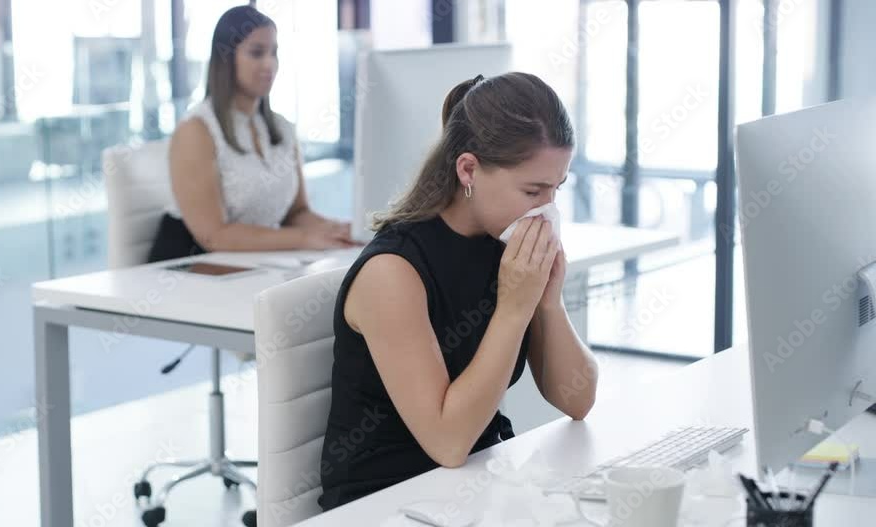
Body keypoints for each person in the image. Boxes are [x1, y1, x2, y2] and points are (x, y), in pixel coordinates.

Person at [318, 72, 599, 510]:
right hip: (384, 503)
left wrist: (547, 302)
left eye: (556, 188)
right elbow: (448, 443)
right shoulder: (392, 272)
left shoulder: (502, 243)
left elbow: (577, 399)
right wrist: (512, 309)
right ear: (468, 169)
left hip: (476, 484)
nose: (549, 209)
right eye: (533, 190)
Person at [149, 5, 355, 263]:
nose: (269, 63)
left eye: (274, 53)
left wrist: (339, 230)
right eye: (257, 53)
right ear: (226, 58)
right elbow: (214, 236)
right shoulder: (197, 130)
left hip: (249, 262)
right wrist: (303, 239)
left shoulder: (281, 129)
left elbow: (297, 213)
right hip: (190, 264)